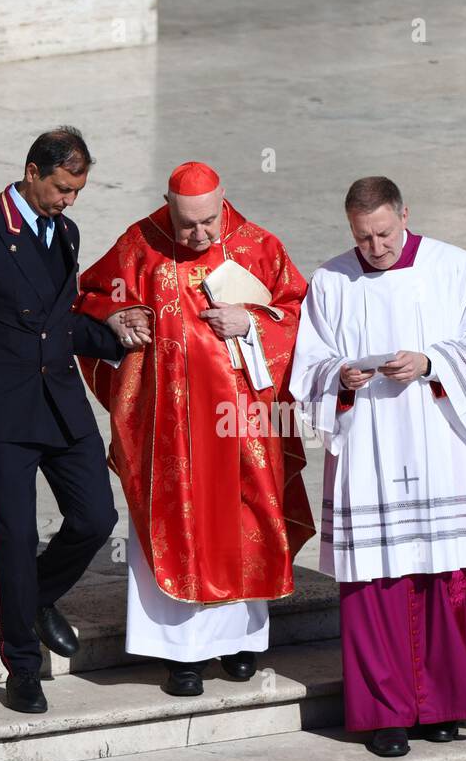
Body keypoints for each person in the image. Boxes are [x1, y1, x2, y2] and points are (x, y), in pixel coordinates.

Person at [288, 176, 466, 757]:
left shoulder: (452, 266)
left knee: (444, 573)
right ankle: (388, 716)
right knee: (380, 585)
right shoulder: (330, 280)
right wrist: (340, 377)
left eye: (383, 233)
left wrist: (430, 361)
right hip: (370, 448)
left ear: (405, 214)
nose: (374, 247)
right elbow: (310, 362)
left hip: (436, 442)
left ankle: (445, 704)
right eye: (362, 236)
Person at [73, 161, 315, 696]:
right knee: (175, 524)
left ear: (223, 201)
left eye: (208, 222)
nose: (199, 234)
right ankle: (179, 652)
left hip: (244, 427)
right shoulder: (141, 243)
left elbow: (299, 312)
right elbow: (88, 297)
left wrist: (251, 322)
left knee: (242, 521)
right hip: (168, 430)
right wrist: (115, 318)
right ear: (168, 205)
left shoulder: (257, 245)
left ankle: (239, 642)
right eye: (188, 225)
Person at [0, 127, 142, 714]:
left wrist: (113, 336)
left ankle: (36, 596)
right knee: (15, 537)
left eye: (77, 190)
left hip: (60, 402)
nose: (69, 200)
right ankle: (21, 663)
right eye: (62, 187)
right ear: (31, 172)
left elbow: (60, 322)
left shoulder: (65, 232)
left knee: (97, 515)